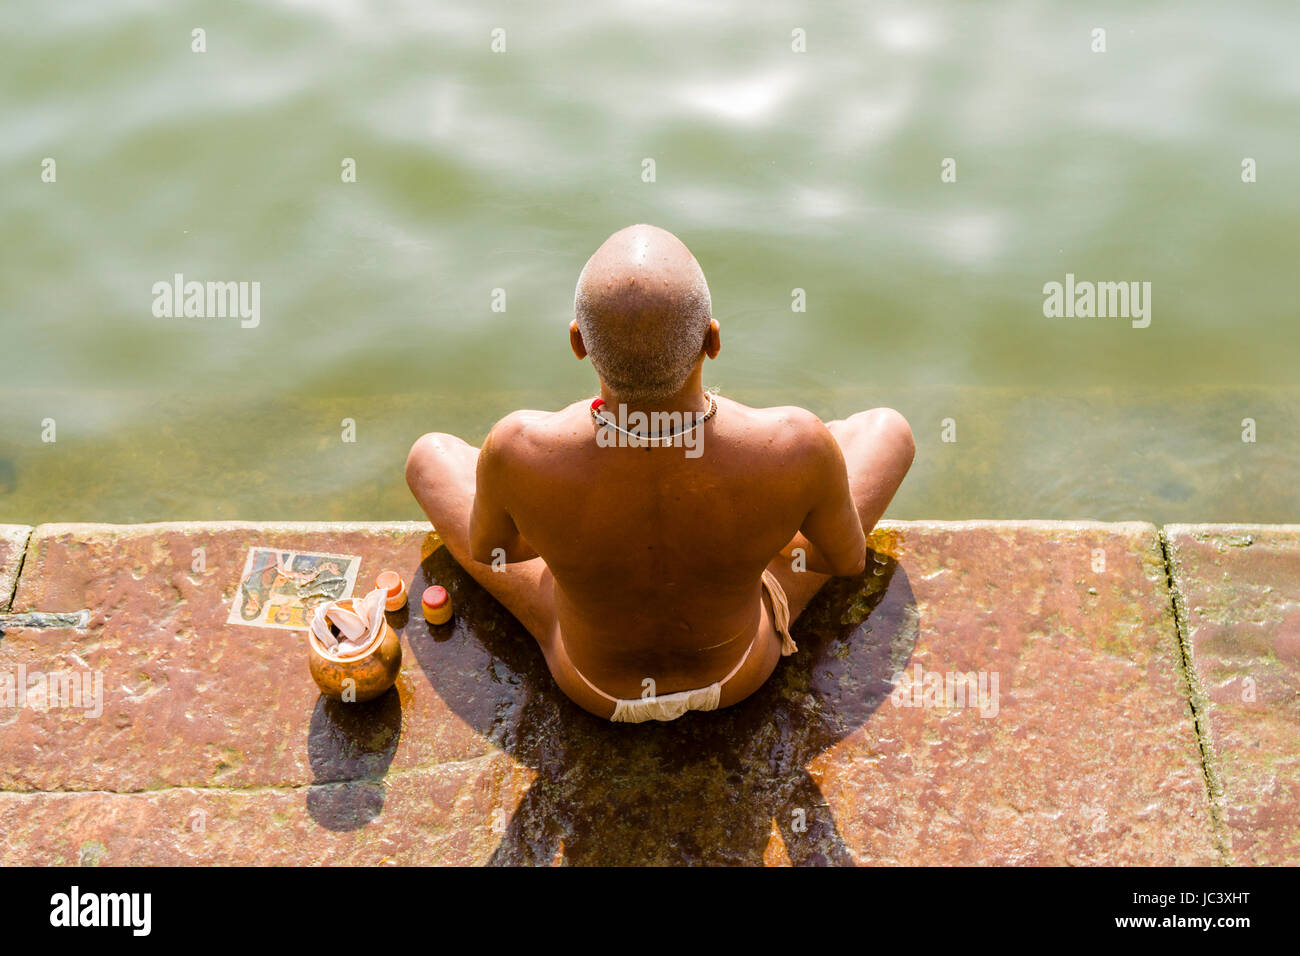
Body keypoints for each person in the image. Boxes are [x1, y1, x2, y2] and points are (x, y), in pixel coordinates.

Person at [407, 224, 914, 722]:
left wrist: (574, 532)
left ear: (578, 342)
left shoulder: (517, 447)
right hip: (737, 672)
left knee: (430, 455)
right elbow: (841, 559)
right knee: (888, 430)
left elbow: (496, 550)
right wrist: (759, 530)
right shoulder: (797, 443)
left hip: (591, 685)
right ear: (712, 341)